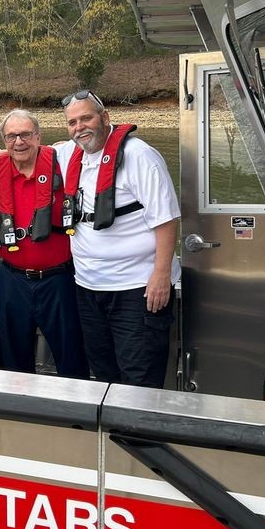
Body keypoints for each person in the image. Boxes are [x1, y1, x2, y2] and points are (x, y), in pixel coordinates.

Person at [56, 90, 181, 387]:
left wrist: (161, 275)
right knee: (104, 373)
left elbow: (166, 219)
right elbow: (27, 149)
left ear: (105, 117)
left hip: (136, 289)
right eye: (72, 122)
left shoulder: (140, 156)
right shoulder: (68, 153)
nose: (79, 127)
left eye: (86, 118)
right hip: (88, 287)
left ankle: (140, 421)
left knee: (139, 376)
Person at [0, 109, 89, 378]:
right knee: (14, 362)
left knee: (71, 357)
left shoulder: (64, 166)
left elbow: (94, 146)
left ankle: (74, 404)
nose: (19, 142)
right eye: (11, 136)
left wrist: (65, 146)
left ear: (39, 137)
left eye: (26, 135)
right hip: (11, 281)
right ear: (4, 141)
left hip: (59, 281)